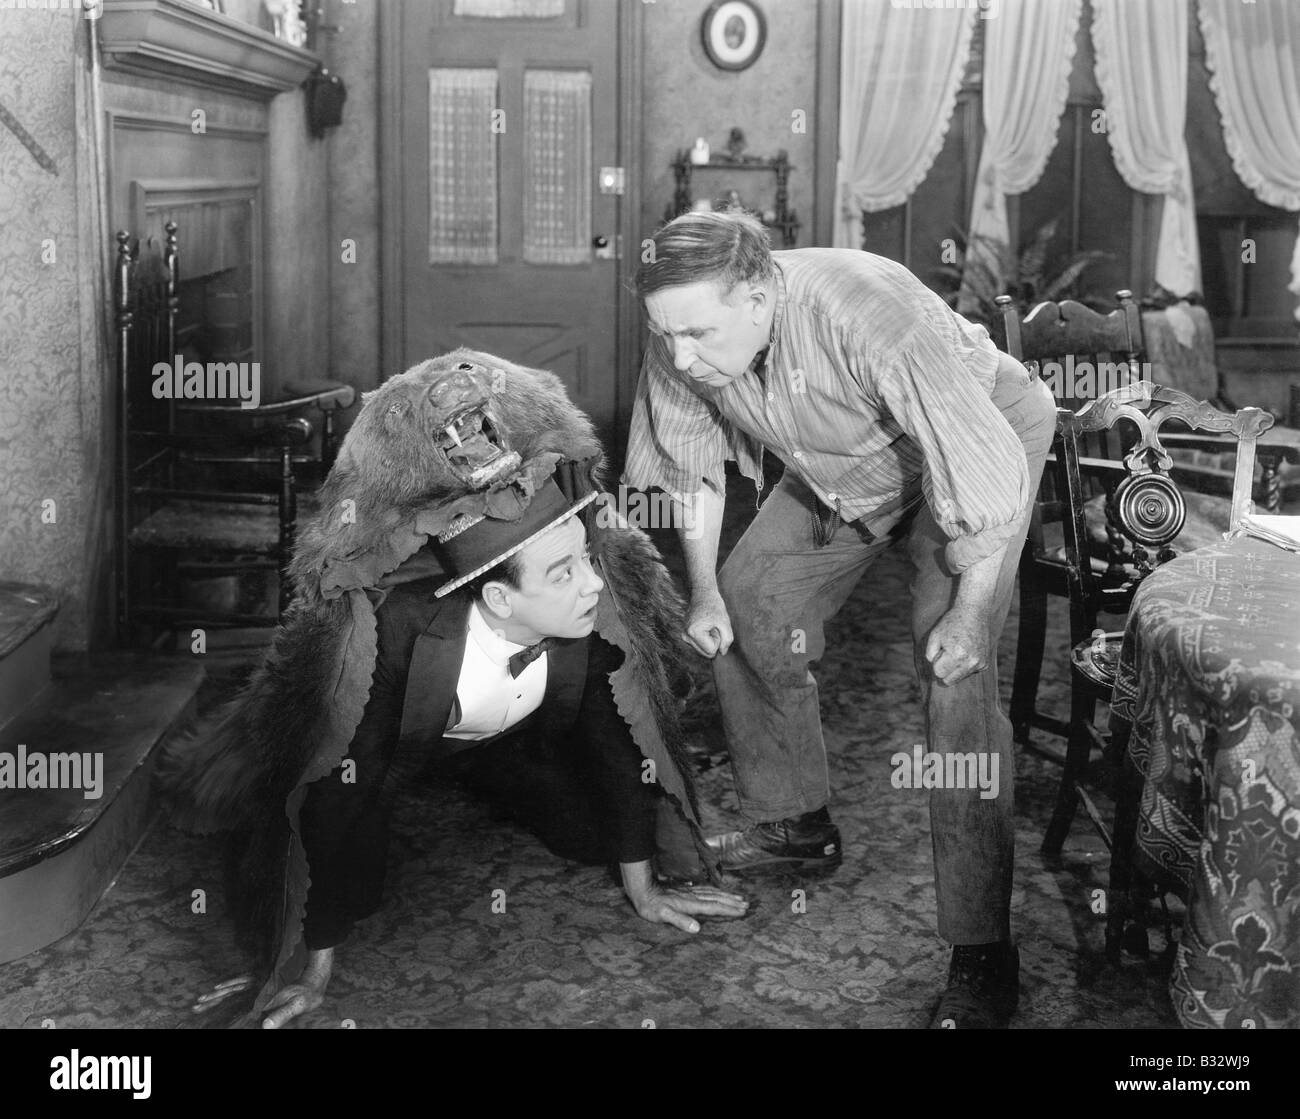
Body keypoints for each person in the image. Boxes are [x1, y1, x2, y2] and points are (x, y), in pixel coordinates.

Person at [623, 209, 1056, 1028]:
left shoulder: (864, 313)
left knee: (950, 667)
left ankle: (982, 948)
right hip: (844, 457)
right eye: (664, 334)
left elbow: (974, 468)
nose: (679, 356)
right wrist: (707, 591)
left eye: (696, 334)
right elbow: (688, 471)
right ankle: (796, 822)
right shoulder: (683, 324)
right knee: (753, 598)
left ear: (758, 296)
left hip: (979, 436)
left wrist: (967, 610)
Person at [260, 479, 748, 1028]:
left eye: (586, 559)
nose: (593, 584)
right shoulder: (390, 637)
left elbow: (618, 753)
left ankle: (484, 781)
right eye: (563, 573)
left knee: (591, 838)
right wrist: (309, 968)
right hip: (393, 758)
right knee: (362, 887)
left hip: (513, 745)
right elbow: (335, 795)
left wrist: (645, 891)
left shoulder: (585, 621)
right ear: (497, 597)